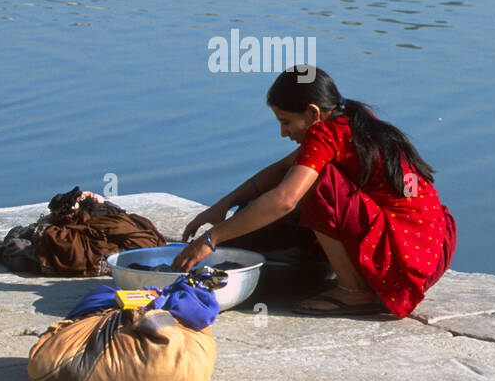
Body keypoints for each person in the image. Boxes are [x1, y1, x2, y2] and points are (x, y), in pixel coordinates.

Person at [172, 66, 457, 318]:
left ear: (312, 113)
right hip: (430, 252)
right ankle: (358, 280)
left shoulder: (324, 134)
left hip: (403, 253)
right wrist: (224, 205)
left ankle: (353, 290)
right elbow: (284, 168)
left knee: (316, 184)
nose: (283, 133)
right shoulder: (352, 120)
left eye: (285, 121)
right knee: (304, 178)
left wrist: (211, 239)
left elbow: (284, 200)